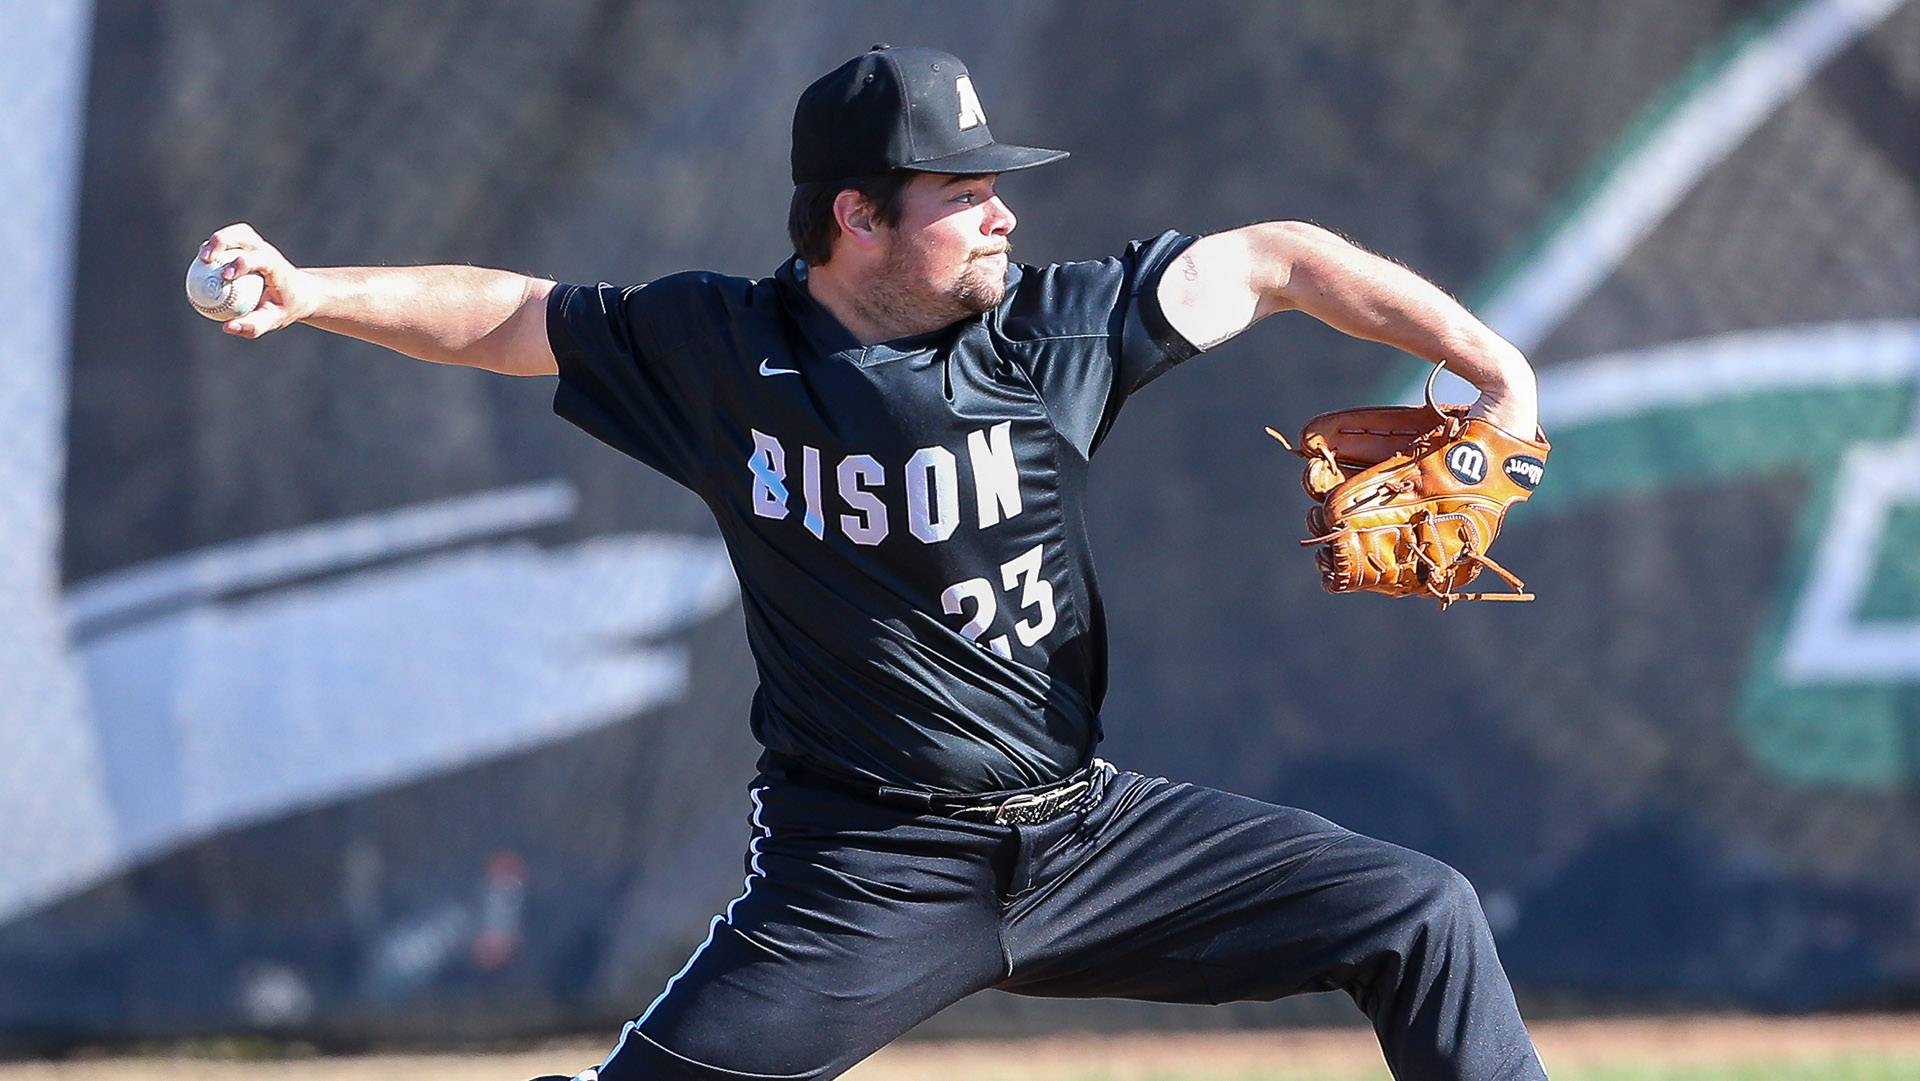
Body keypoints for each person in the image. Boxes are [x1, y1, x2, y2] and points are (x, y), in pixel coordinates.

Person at [202, 44, 1545, 1081]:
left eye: (994, 187)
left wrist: (1493, 368)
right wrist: (318, 290)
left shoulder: (1053, 335)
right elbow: (510, 314)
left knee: (1420, 913)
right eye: (961, 194)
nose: (1001, 215)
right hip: (866, 866)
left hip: (1088, 832)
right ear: (857, 214)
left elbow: (1281, 260)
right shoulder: (726, 351)